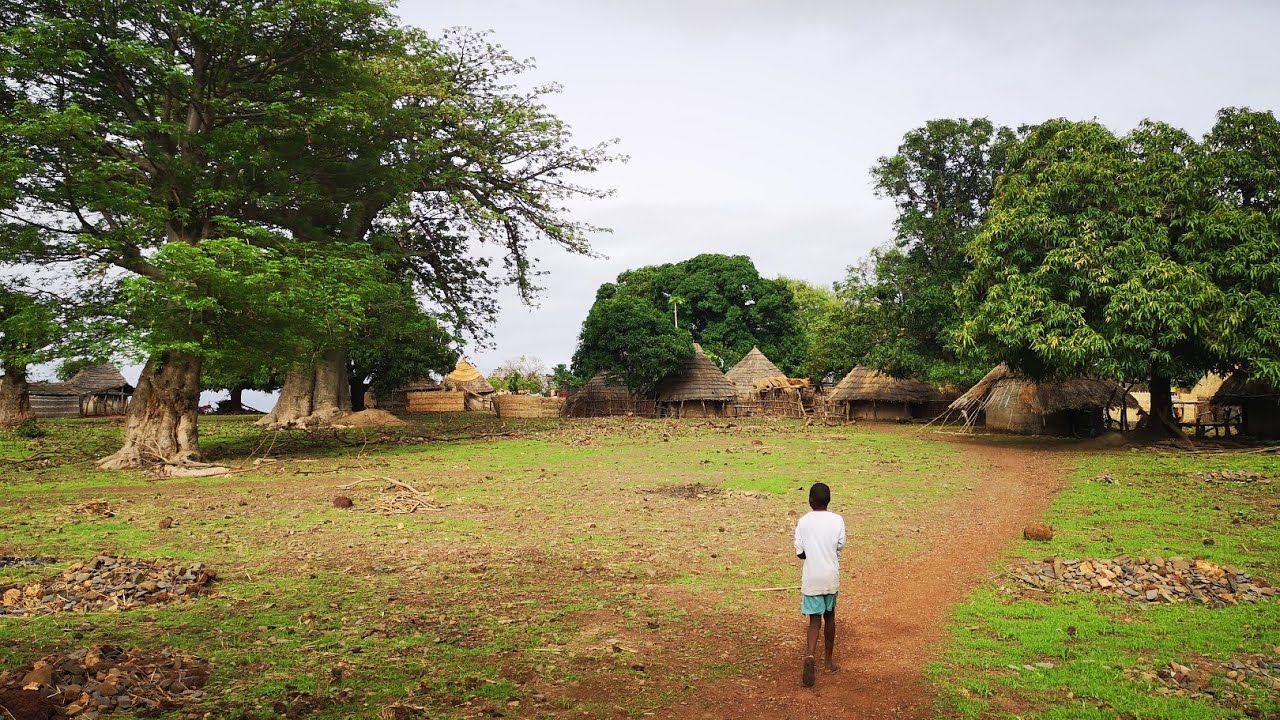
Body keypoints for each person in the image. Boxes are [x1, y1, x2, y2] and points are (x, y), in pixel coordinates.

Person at [793, 481, 846, 687]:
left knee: (814, 621)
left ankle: (810, 655)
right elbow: (840, 545)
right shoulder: (837, 520)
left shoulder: (803, 521)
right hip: (830, 576)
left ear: (810, 501)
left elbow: (800, 552)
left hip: (811, 577)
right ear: (829, 500)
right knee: (830, 617)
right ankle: (828, 663)